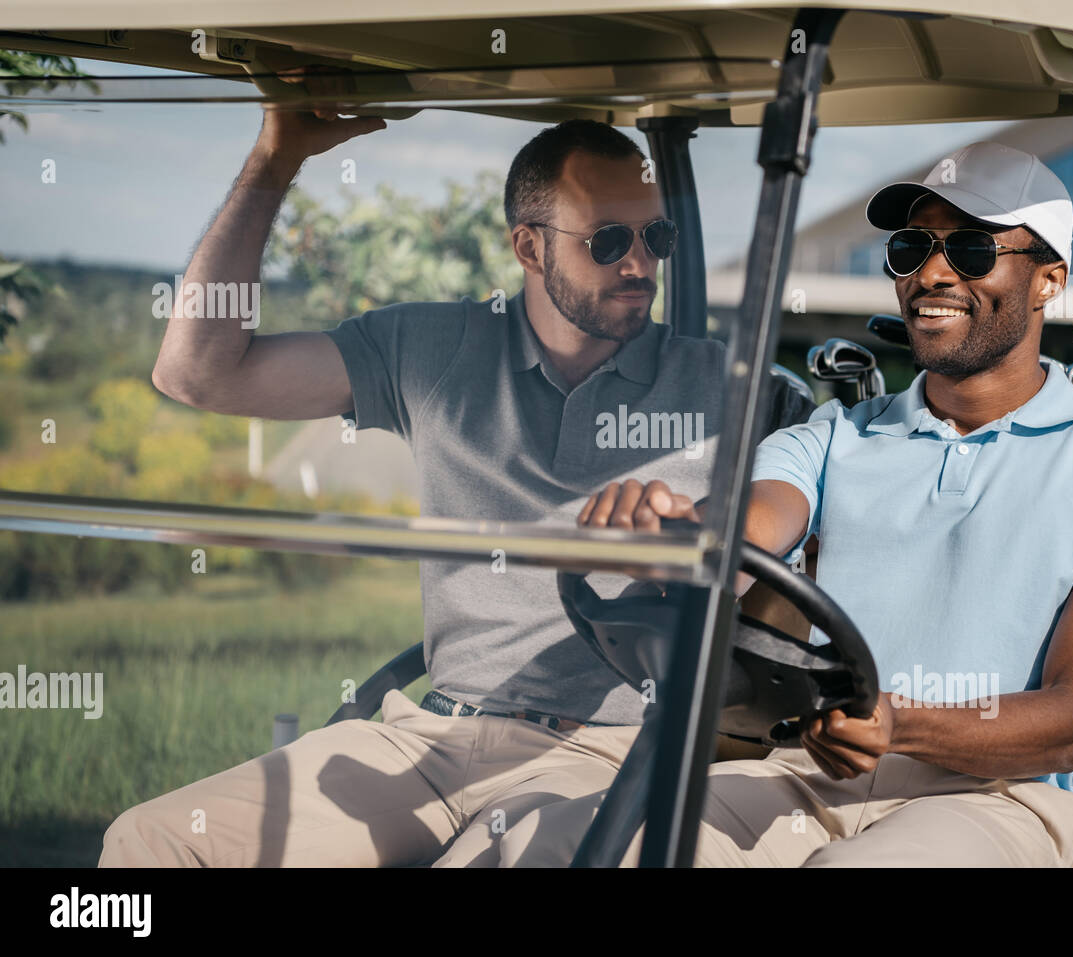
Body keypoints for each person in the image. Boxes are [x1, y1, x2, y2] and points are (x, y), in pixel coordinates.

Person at [99, 84, 812, 866]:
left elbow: (801, 520)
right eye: (609, 242)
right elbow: (196, 373)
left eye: (657, 237)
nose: (640, 264)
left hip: (607, 753)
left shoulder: (738, 390)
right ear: (529, 247)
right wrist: (275, 163)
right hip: (429, 733)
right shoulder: (432, 348)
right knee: (150, 841)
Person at [507, 141, 1073, 867]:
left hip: (999, 798)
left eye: (970, 248)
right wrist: (674, 534)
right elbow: (750, 523)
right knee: (558, 839)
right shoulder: (837, 434)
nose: (932, 273)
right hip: (806, 776)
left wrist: (896, 723)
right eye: (911, 247)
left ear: (1048, 280)